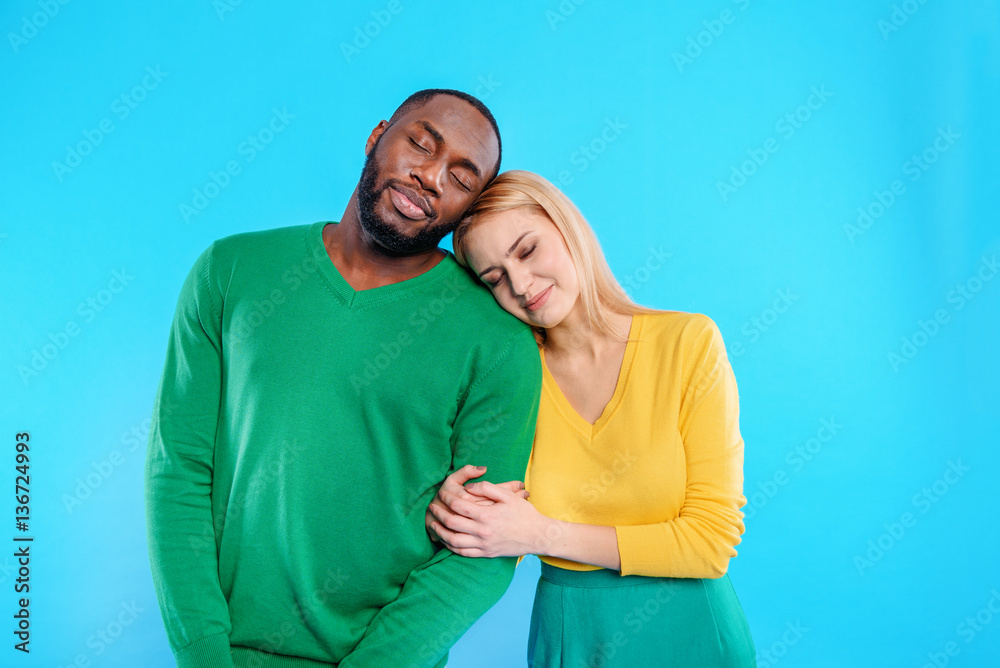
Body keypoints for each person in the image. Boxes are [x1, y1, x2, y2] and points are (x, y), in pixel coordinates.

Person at [143, 89, 542, 668]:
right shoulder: (230, 272)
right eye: (421, 144)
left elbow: (481, 553)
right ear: (377, 136)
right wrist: (203, 655)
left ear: (469, 208)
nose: (430, 177)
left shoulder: (499, 342)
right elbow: (178, 470)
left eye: (461, 177)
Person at [425, 170, 757, 666]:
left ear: (568, 227)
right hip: (573, 638)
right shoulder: (510, 379)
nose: (521, 284)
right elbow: (494, 525)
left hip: (695, 635)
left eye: (527, 250)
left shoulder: (688, 344)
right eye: (495, 278)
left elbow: (711, 542)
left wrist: (539, 533)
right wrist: (452, 511)